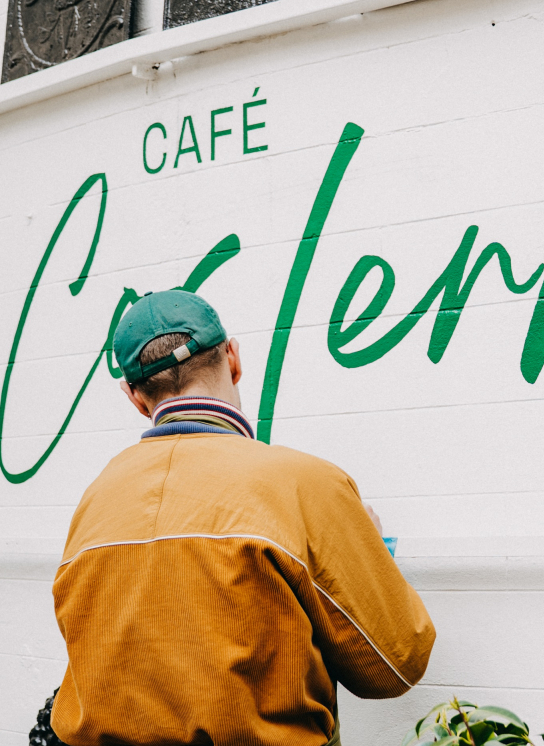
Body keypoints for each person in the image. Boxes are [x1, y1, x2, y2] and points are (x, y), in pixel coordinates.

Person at [49, 290, 434, 746]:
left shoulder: (94, 501)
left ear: (134, 396)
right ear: (232, 358)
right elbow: (395, 665)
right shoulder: (306, 483)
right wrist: (372, 556)